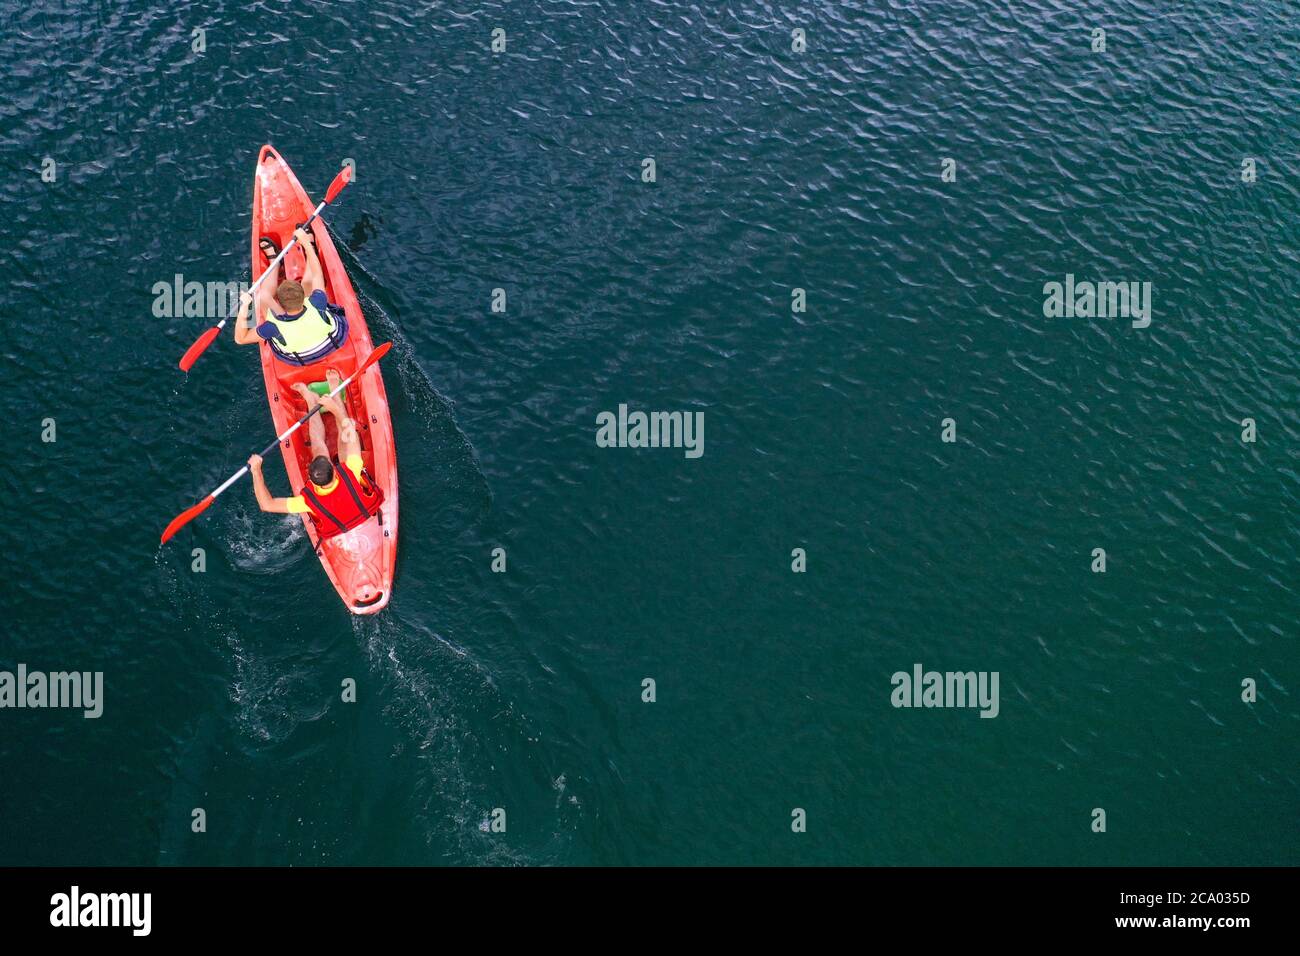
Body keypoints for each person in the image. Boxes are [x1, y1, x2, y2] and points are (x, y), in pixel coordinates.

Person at [247, 369, 383, 536]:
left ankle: (313, 402)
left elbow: (266, 505)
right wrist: (334, 409)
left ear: (311, 480)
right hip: (367, 509)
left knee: (319, 447)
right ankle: (331, 393)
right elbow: (350, 431)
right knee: (345, 435)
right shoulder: (352, 470)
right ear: (334, 470)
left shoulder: (307, 502)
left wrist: (256, 471)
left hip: (339, 527)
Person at [234, 226, 348, 365]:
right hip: (334, 341)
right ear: (305, 298)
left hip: (300, 358)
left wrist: (244, 306)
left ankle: (274, 263)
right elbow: (317, 273)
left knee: (263, 296)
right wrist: (306, 243)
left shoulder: (272, 327)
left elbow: (240, 339)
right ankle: (309, 247)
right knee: (308, 282)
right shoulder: (316, 301)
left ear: (279, 304)